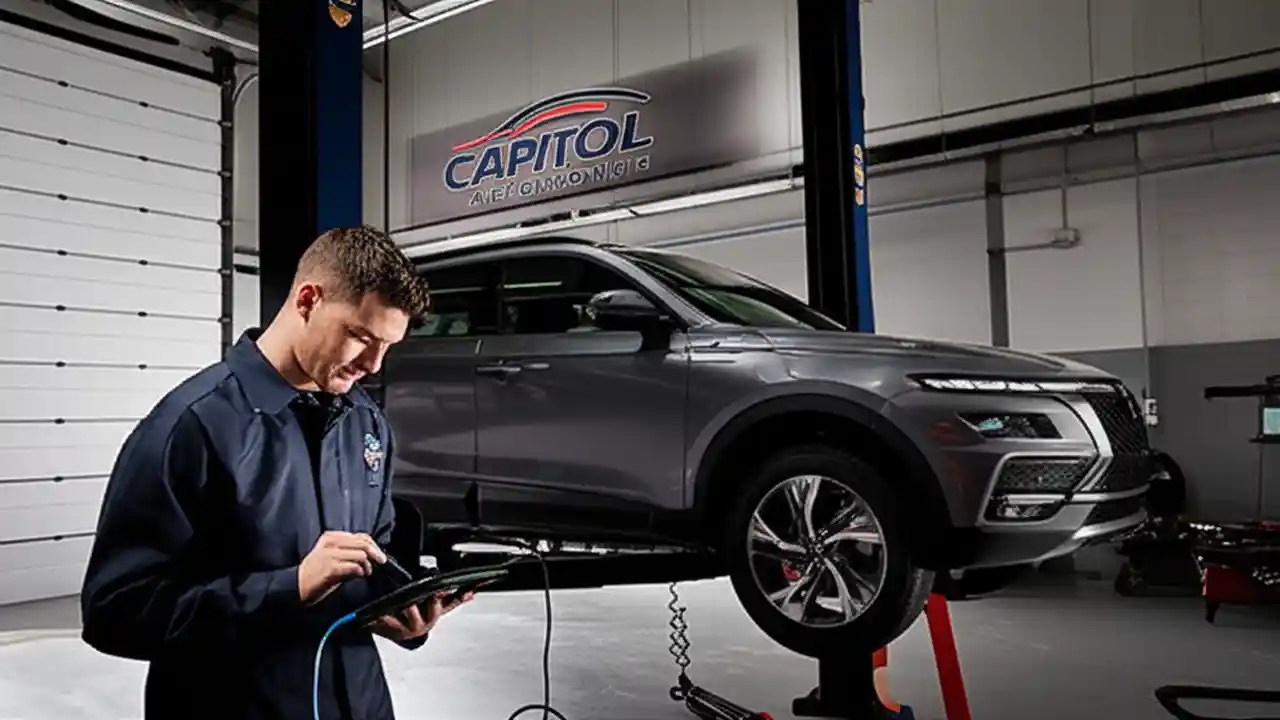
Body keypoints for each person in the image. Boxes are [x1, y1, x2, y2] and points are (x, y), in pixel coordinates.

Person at [80, 225, 469, 719]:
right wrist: (291, 587)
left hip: (360, 702)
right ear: (308, 300)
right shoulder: (191, 426)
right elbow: (114, 612)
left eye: (387, 346)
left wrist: (401, 610)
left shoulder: (366, 422)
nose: (373, 365)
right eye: (361, 337)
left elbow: (377, 554)